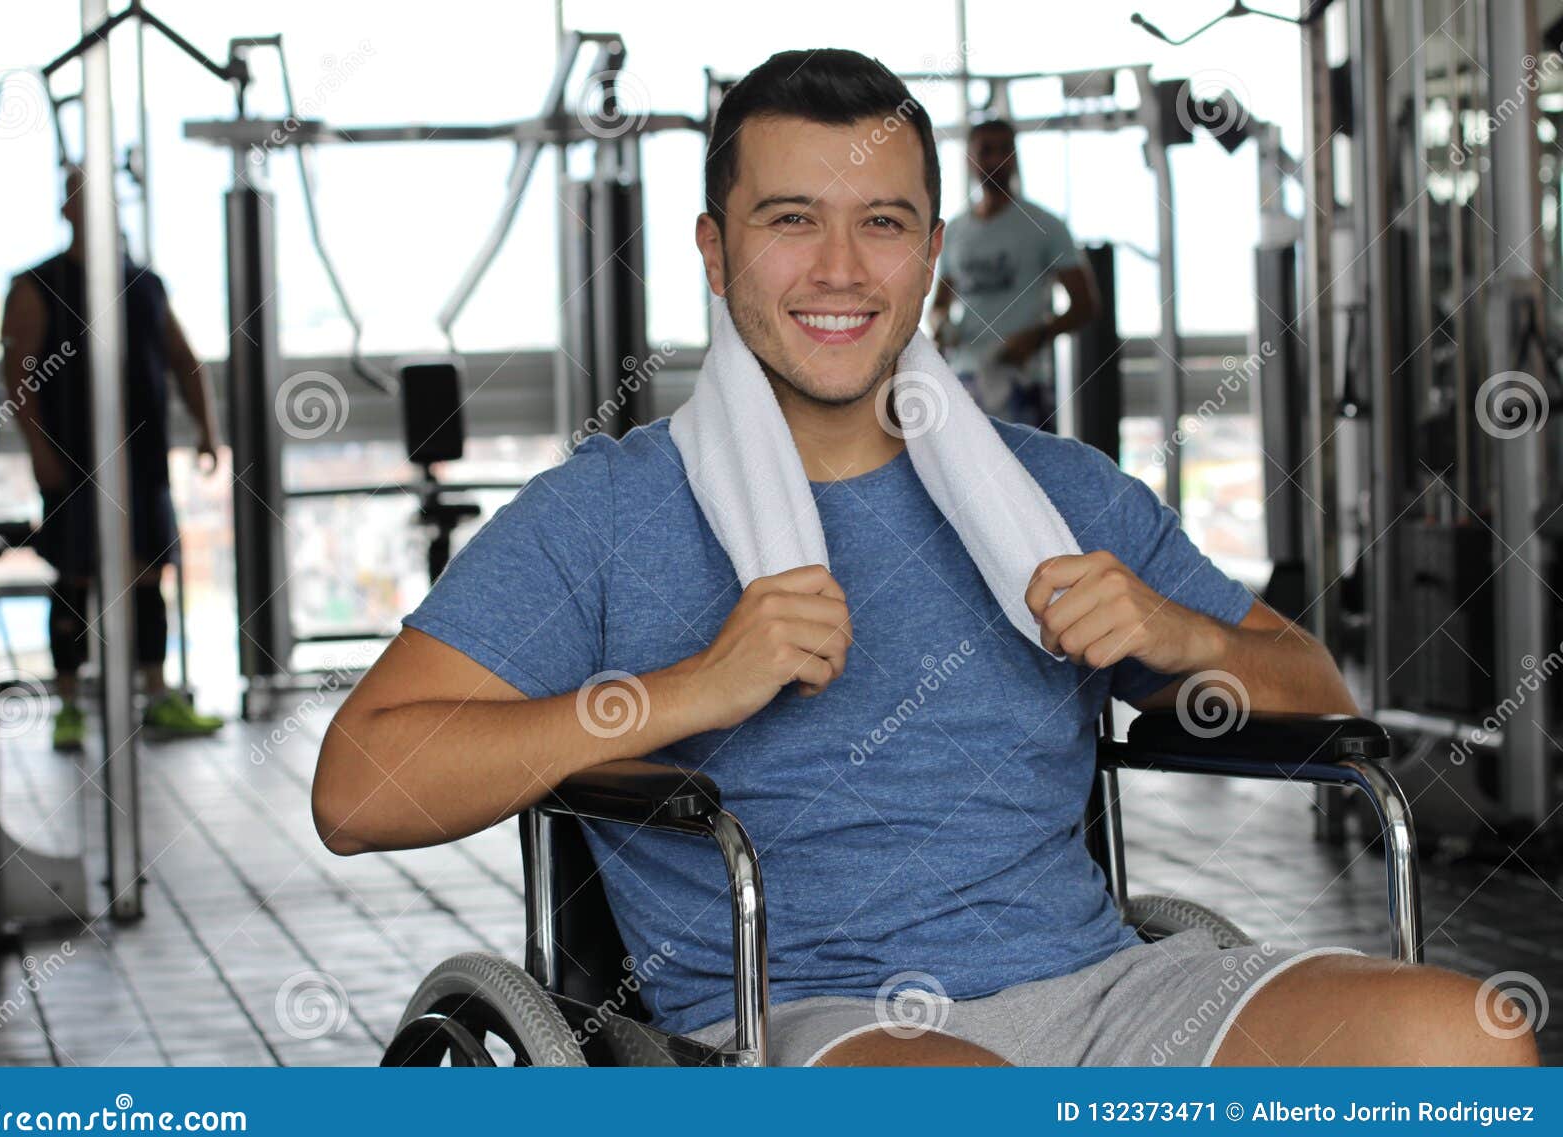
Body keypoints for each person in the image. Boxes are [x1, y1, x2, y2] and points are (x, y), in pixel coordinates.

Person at [312, 51, 1536, 1068]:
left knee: (1462, 1035)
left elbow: (1321, 705)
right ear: (712, 244)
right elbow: (357, 788)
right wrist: (691, 689)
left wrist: (1186, 638)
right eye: (790, 221)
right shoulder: (606, 512)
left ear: (932, 250)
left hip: (1111, 994)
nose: (840, 271)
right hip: (804, 1022)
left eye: (881, 225)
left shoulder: (1056, 493)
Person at [0, 166, 224, 749]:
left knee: (148, 576)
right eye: (79, 198)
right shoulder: (36, 285)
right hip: (72, 459)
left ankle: (157, 695)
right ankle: (69, 706)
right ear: (65, 210)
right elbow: (18, 377)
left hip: (141, 458)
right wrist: (39, 452)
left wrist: (208, 430)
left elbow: (184, 361)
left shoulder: (143, 283)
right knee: (74, 577)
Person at [928, 118, 1100, 432]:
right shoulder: (954, 232)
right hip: (967, 381)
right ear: (970, 159)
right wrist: (940, 325)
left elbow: (1086, 304)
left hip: (1024, 382)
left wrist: (1037, 336)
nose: (995, 160)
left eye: (1004, 150)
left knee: (1026, 477)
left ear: (1016, 157)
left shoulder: (1045, 226)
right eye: (986, 151)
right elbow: (940, 302)